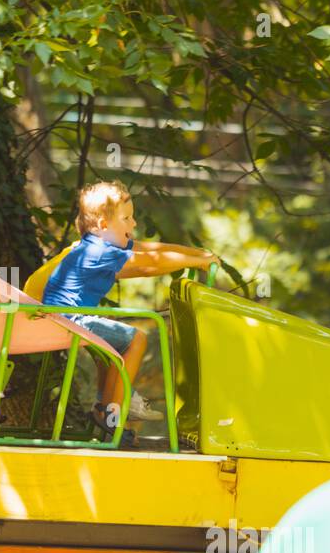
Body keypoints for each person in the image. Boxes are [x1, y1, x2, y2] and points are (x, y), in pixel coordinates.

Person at [42, 181, 219, 434]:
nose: (134, 224)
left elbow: (153, 250)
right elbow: (148, 265)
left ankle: (105, 410)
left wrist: (197, 254)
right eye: (126, 218)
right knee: (136, 339)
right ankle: (113, 414)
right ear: (103, 225)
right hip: (67, 320)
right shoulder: (99, 252)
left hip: (66, 319)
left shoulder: (100, 245)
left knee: (112, 352)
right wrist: (197, 263)